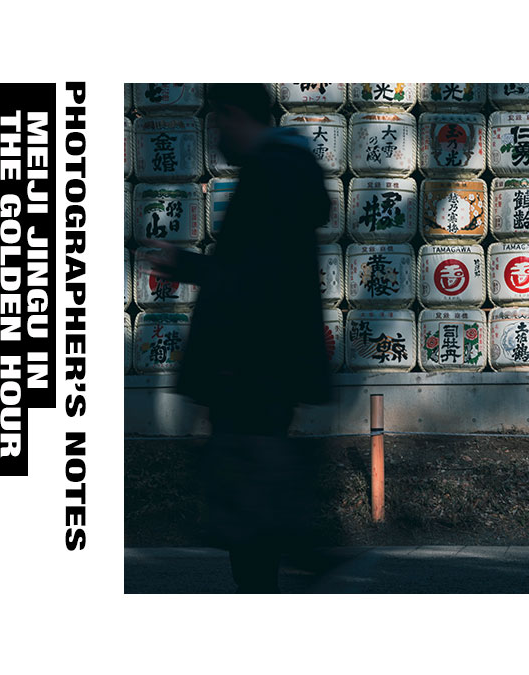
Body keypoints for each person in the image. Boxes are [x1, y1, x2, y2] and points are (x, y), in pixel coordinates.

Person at [148, 83, 332, 592]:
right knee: (252, 496)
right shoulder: (289, 170)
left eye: (216, 123)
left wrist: (186, 265)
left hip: (252, 368)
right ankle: (294, 554)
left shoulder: (271, 174)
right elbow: (259, 271)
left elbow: (253, 278)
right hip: (270, 366)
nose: (215, 137)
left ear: (232, 115)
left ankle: (303, 552)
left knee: (247, 503)